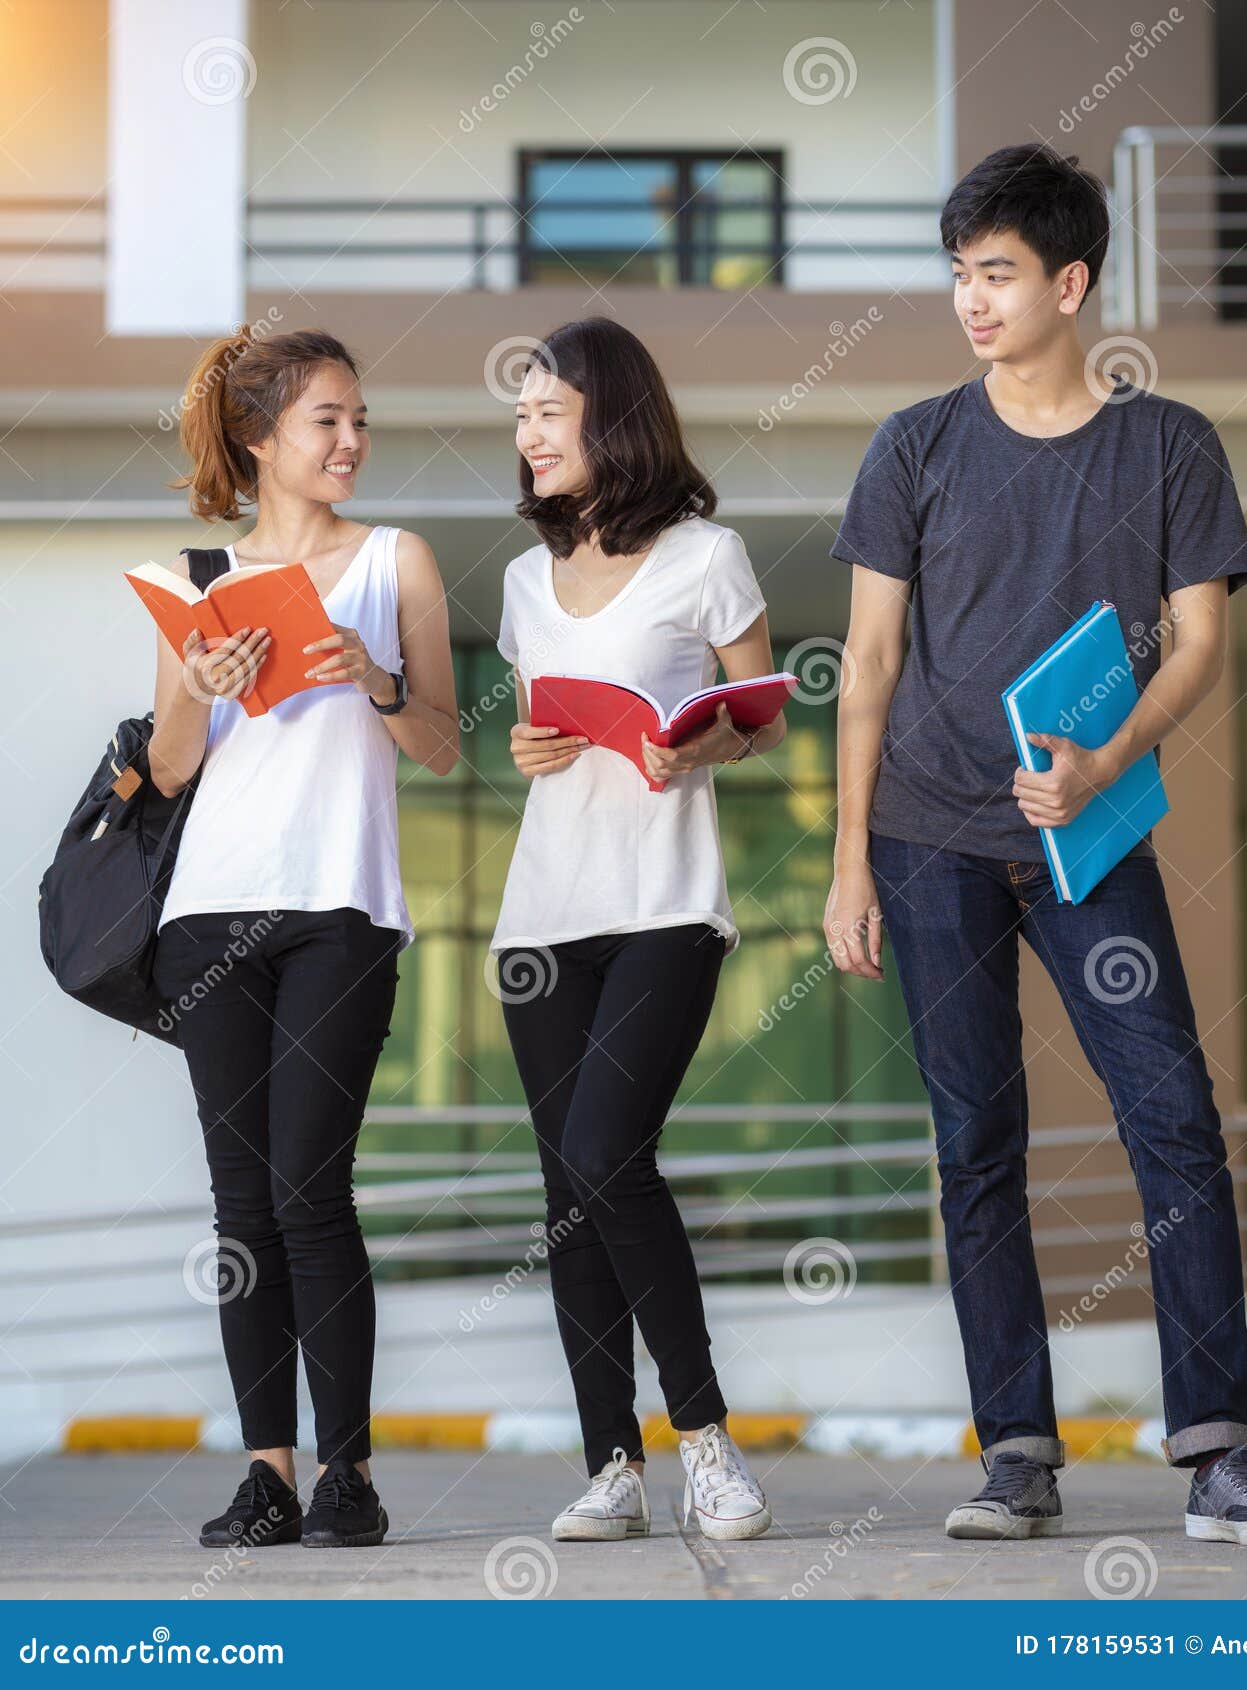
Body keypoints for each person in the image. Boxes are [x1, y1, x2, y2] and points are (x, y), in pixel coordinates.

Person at [826, 144, 1247, 1548]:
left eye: (995, 273)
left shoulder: (1165, 443)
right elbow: (869, 662)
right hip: (927, 833)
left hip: (1089, 836)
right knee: (974, 1140)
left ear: (1069, 283)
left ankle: (1220, 1460)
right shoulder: (913, 444)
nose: (971, 299)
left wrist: (1105, 761)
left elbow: (1199, 639)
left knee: (1172, 1118)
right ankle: (1016, 1458)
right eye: (958, 274)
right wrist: (849, 857)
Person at [149, 325, 459, 1549]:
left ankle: (350, 1475)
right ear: (259, 438)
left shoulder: (396, 560)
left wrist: (376, 679)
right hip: (208, 915)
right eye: (327, 419)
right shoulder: (197, 580)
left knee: (309, 1191)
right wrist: (197, 685)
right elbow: (169, 769)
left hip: (340, 907)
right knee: (243, 1206)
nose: (351, 440)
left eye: (357, 419)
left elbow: (443, 744)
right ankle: (267, 1475)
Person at [491, 316, 782, 1544]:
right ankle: (611, 1464)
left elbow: (759, 715)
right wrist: (527, 743)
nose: (527, 435)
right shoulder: (525, 580)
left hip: (666, 903)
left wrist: (695, 742)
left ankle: (705, 1439)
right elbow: (537, 729)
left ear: (608, 418)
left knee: (609, 1151)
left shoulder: (705, 554)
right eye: (521, 417)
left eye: (547, 414)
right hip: (541, 915)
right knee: (569, 1188)